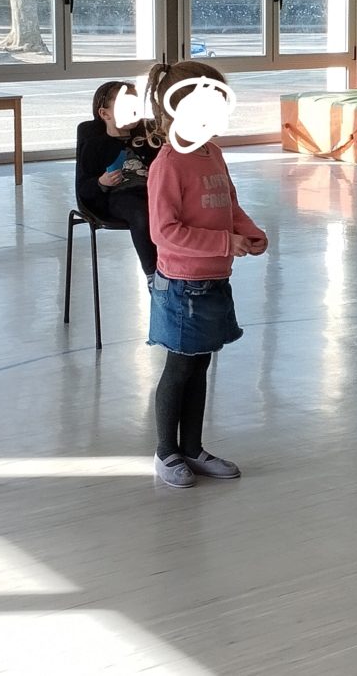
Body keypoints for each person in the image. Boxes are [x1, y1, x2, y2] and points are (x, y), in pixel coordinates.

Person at [143, 61, 266, 488]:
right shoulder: (168, 164)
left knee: (199, 368)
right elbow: (165, 232)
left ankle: (192, 449)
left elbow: (230, 206)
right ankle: (165, 452)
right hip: (181, 286)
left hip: (215, 280)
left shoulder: (212, 153)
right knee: (179, 369)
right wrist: (222, 243)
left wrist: (249, 234)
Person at [76, 80, 161, 278]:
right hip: (120, 196)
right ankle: (153, 274)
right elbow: (84, 189)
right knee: (140, 212)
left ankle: (181, 271)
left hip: (152, 191)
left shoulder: (150, 139)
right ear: (105, 114)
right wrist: (101, 182)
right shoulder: (95, 146)